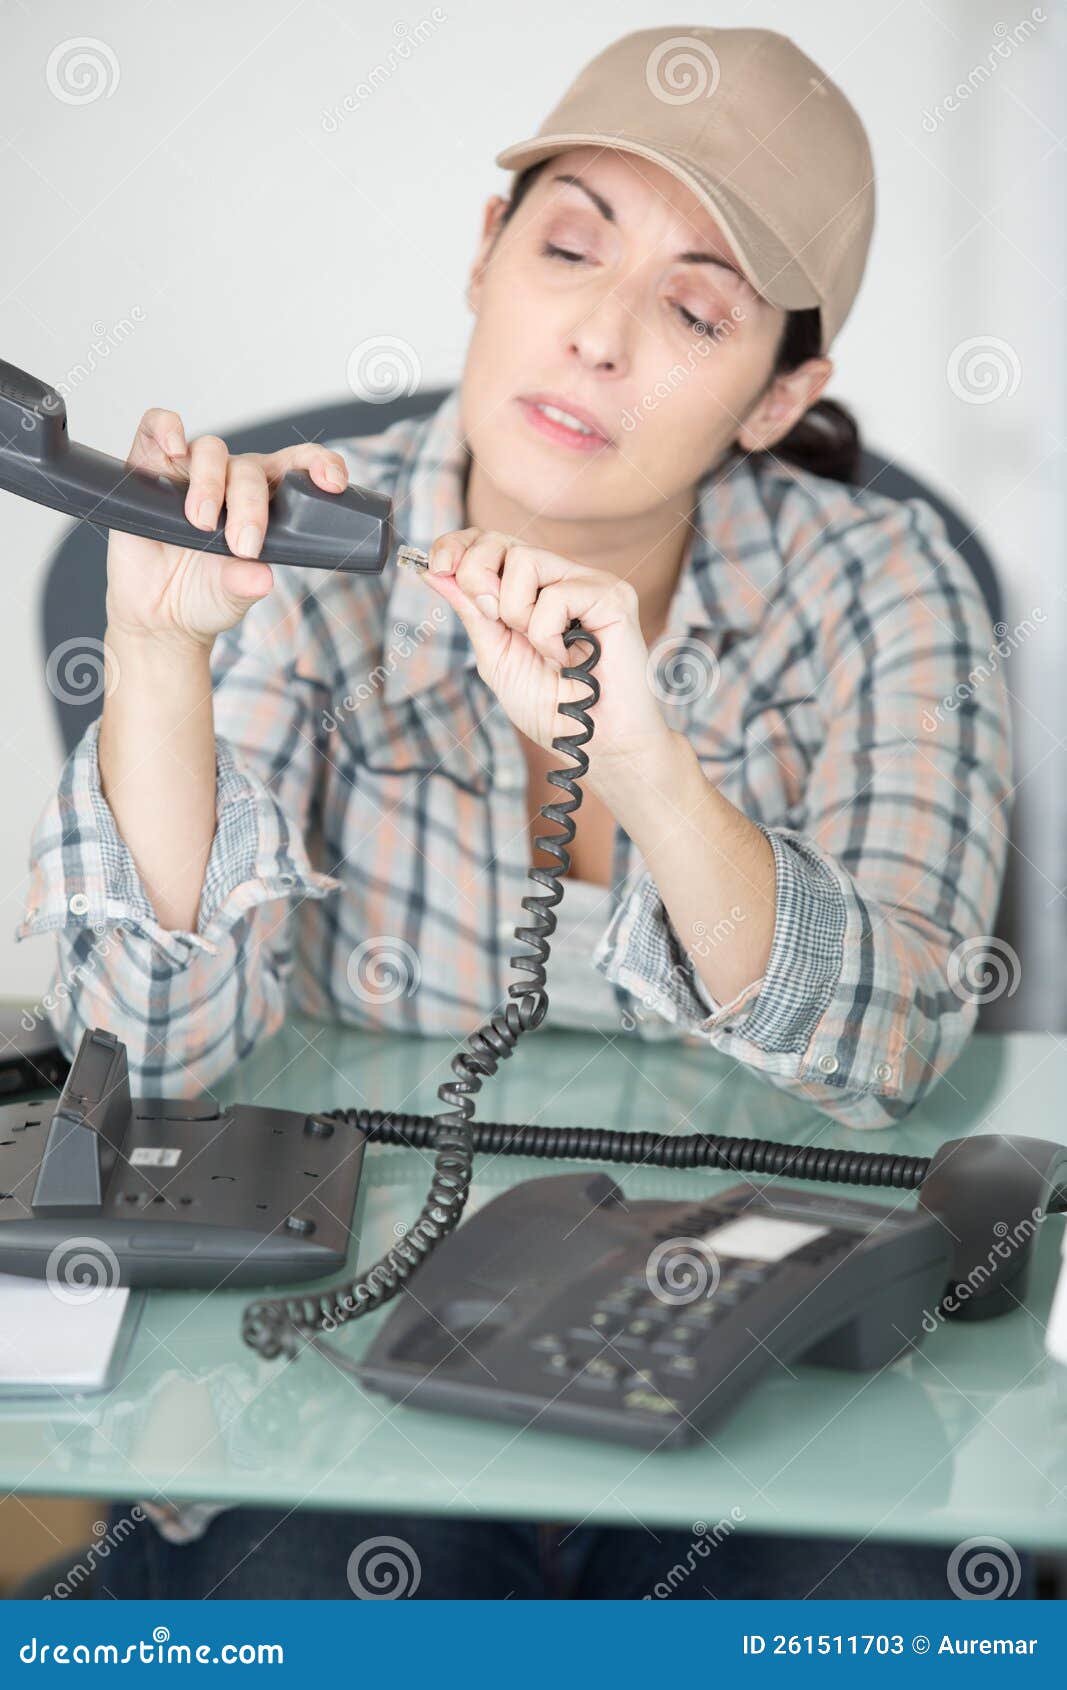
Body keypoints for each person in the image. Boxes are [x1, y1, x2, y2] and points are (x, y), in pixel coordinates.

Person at [20, 26, 1017, 1599]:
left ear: (780, 394)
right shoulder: (301, 546)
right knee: (310, 1581)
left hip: (750, 1343)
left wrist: (647, 772)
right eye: (568, 248)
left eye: (695, 308)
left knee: (854, 1600)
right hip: (356, 1346)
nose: (602, 337)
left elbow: (893, 1042)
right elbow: (155, 1070)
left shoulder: (884, 582)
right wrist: (155, 658)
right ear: (488, 257)